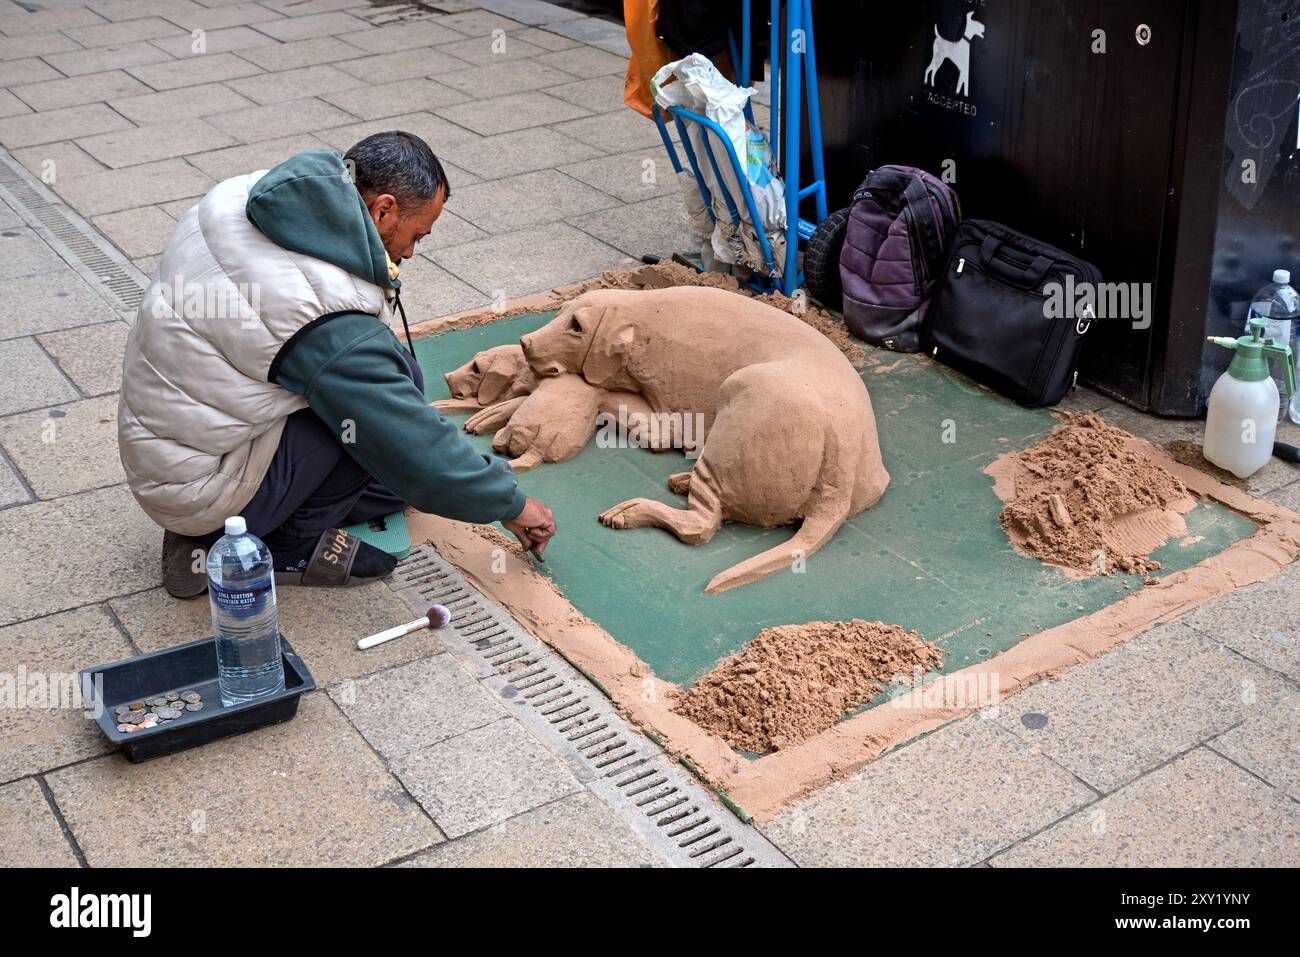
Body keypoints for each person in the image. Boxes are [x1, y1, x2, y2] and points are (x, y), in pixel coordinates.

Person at [117, 132, 555, 597]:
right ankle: (265, 541)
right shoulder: (318, 313)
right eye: (416, 235)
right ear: (382, 209)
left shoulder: (249, 193)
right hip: (194, 485)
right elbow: (404, 436)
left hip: (174, 443)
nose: (408, 253)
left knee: (394, 415)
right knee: (373, 427)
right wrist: (511, 504)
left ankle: (260, 510)